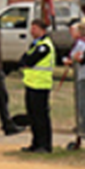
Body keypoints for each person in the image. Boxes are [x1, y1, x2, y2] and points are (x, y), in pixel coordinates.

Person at [19, 20, 55, 153]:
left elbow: (30, 60)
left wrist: (26, 61)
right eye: (31, 28)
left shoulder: (44, 46)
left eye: (35, 28)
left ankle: (45, 145)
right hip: (31, 84)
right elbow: (23, 59)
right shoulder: (35, 45)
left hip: (41, 85)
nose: (32, 31)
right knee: (33, 116)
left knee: (41, 116)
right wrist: (25, 61)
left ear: (42, 30)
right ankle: (35, 143)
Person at [62, 22, 85, 149]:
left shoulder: (81, 44)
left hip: (84, 75)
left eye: (73, 31)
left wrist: (68, 61)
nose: (71, 33)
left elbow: (76, 57)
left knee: (83, 100)